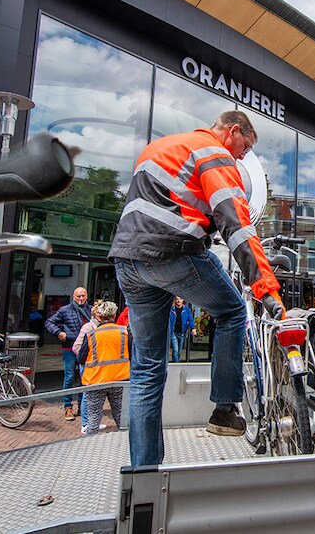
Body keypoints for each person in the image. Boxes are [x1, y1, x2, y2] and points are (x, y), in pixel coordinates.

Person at [107, 110, 284, 467]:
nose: (242, 157)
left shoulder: (160, 147)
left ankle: (145, 477)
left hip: (128, 261)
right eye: (245, 147)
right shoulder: (213, 153)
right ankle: (224, 409)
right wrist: (267, 290)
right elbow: (237, 225)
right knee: (233, 311)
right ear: (233, 131)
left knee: (146, 370)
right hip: (173, 252)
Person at [73, 301, 128, 436]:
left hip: (96, 380)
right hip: (119, 378)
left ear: (100, 316)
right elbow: (132, 354)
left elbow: (80, 358)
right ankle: (124, 444)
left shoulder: (92, 335)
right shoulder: (124, 333)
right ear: (114, 315)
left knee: (93, 419)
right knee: (121, 416)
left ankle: (91, 447)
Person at [44, 286, 91, 421]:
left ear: (86, 296)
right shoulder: (65, 310)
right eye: (78, 296)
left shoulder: (91, 310)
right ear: (73, 297)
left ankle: (82, 407)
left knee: (84, 379)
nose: (81, 298)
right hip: (69, 348)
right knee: (69, 377)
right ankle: (67, 407)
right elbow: (49, 322)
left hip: (85, 349)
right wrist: (58, 333)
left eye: (83, 296)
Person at [168, 296, 193, 362]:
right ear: (175, 300)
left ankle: (177, 362)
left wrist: (193, 328)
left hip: (182, 333)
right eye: (177, 299)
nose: (179, 301)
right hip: (173, 332)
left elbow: (190, 319)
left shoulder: (186, 309)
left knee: (179, 351)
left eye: (180, 299)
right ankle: (175, 364)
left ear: (183, 300)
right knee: (175, 350)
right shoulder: (172, 309)